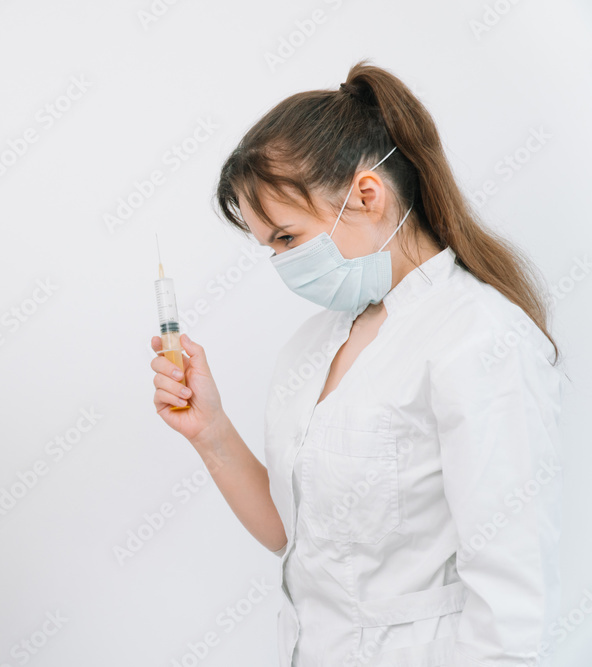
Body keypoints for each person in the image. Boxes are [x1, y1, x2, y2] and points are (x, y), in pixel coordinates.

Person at [150, 60, 568, 666]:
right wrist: (210, 431)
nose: (281, 263)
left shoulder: (480, 340)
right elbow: (293, 537)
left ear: (367, 196)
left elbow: (515, 601)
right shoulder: (316, 344)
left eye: (287, 238)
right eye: (269, 248)